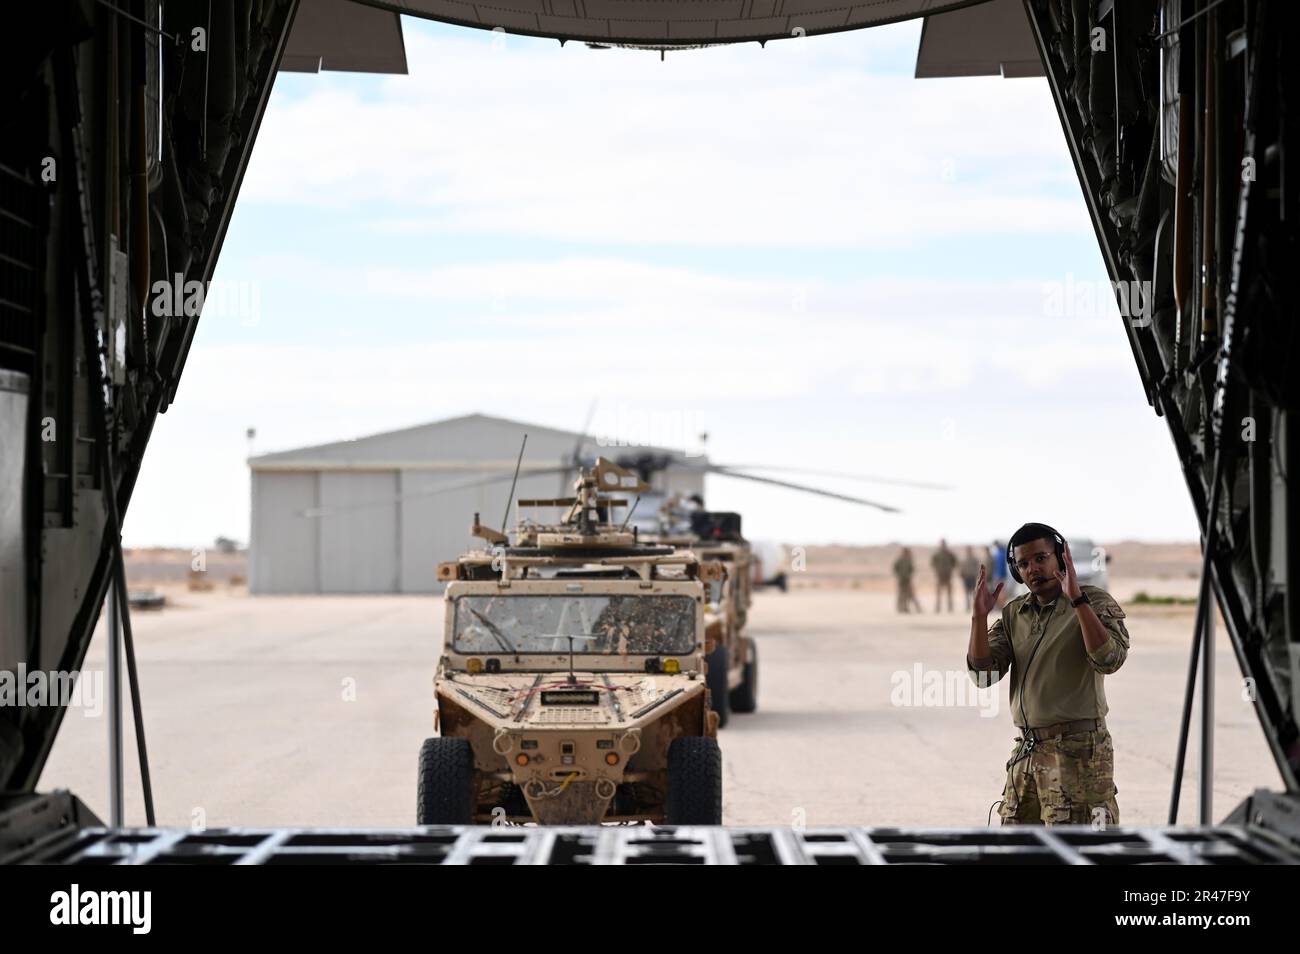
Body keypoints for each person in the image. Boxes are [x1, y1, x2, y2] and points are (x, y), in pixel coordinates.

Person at [966, 523, 1129, 826]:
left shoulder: (1094, 601)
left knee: (1077, 850)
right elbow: (983, 675)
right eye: (1023, 563)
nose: (1032, 570)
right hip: (1027, 754)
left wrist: (1078, 601)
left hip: (1077, 754)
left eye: (1041, 558)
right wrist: (978, 619)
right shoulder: (1015, 613)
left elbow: (1109, 659)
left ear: (1060, 557)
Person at [892, 547, 922, 614]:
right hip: (901, 580)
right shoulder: (899, 560)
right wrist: (899, 575)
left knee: (910, 594)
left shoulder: (909, 560)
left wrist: (909, 575)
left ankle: (909, 608)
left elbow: (912, 569)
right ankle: (901, 608)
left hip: (908, 580)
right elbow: (895, 568)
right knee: (901, 594)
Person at [931, 539, 958, 613]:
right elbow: (933, 563)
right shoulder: (937, 554)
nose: (943, 546)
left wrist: (950, 569)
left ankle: (950, 607)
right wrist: (937, 570)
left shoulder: (949, 554)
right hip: (940, 576)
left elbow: (955, 562)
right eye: (942, 544)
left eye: (943, 544)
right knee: (938, 593)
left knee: (949, 593)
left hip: (948, 575)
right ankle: (938, 608)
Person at [959, 546, 980, 611]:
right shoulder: (964, 559)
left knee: (973, 592)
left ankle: (975, 606)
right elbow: (961, 568)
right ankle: (968, 606)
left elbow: (978, 567)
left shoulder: (974, 559)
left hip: (972, 577)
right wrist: (961, 574)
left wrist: (977, 575)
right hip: (966, 577)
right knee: (967, 592)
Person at [990, 540, 1008, 608]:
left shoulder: (999, 554)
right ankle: (1001, 605)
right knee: (1002, 591)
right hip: (1003, 575)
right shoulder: (1003, 553)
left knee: (1000, 591)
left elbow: (999, 566)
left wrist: (997, 576)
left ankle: (1001, 605)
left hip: (999, 576)